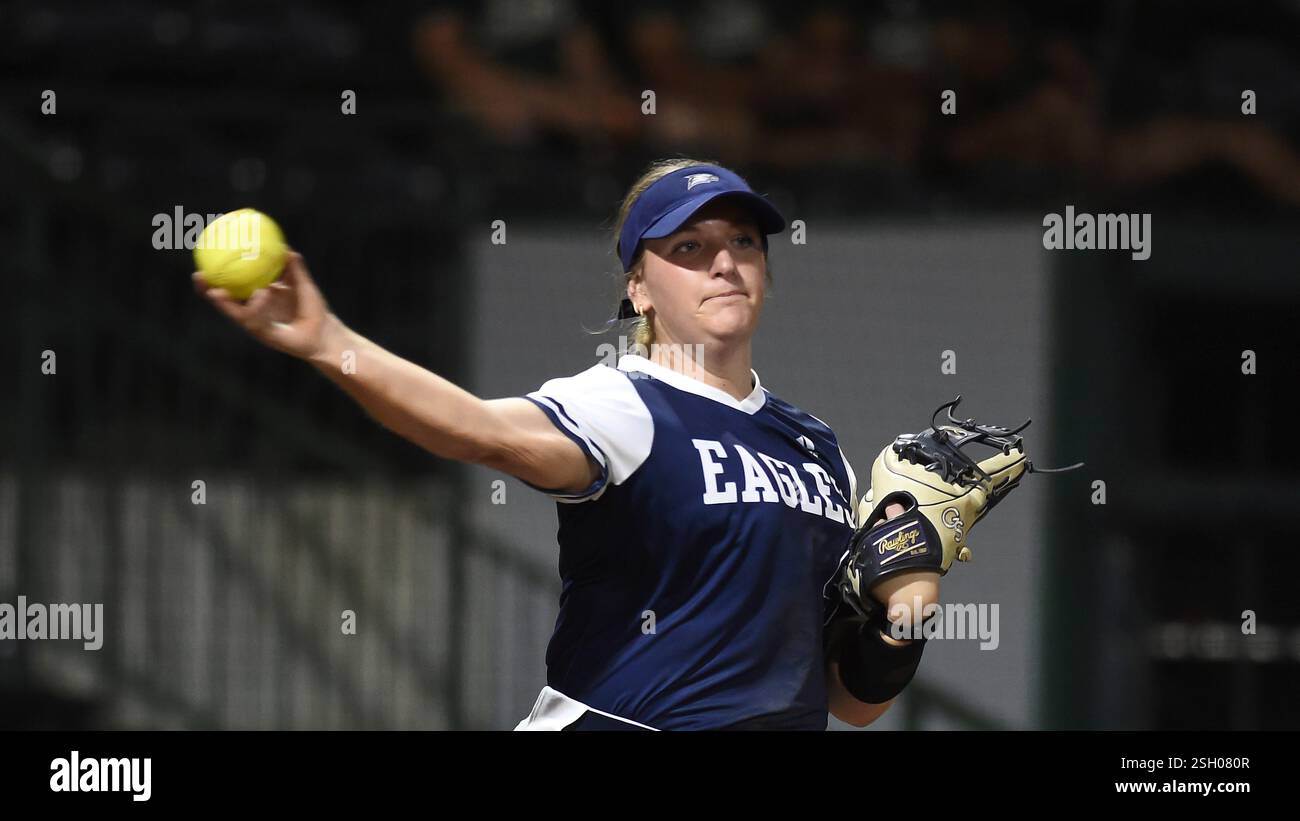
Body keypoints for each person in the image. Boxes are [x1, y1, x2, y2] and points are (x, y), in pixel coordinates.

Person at [194, 158, 936, 730]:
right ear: (639, 289)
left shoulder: (816, 448)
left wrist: (907, 610)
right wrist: (329, 342)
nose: (723, 261)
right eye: (689, 244)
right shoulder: (625, 402)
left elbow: (847, 699)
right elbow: (473, 428)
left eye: (743, 241)